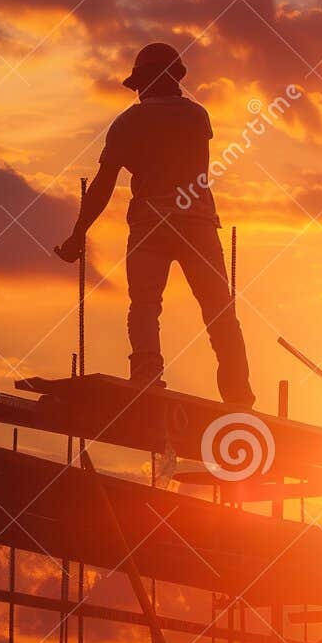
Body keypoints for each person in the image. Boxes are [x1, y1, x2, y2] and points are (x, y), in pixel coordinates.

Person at [54, 43, 255, 408]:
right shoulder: (198, 116)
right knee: (219, 310)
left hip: (151, 224)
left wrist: (78, 233)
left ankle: (146, 378)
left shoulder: (128, 122)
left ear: (147, 80)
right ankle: (238, 393)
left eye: (140, 84)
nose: (139, 92)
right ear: (176, 77)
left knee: (145, 306)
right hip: (196, 222)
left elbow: (103, 185)